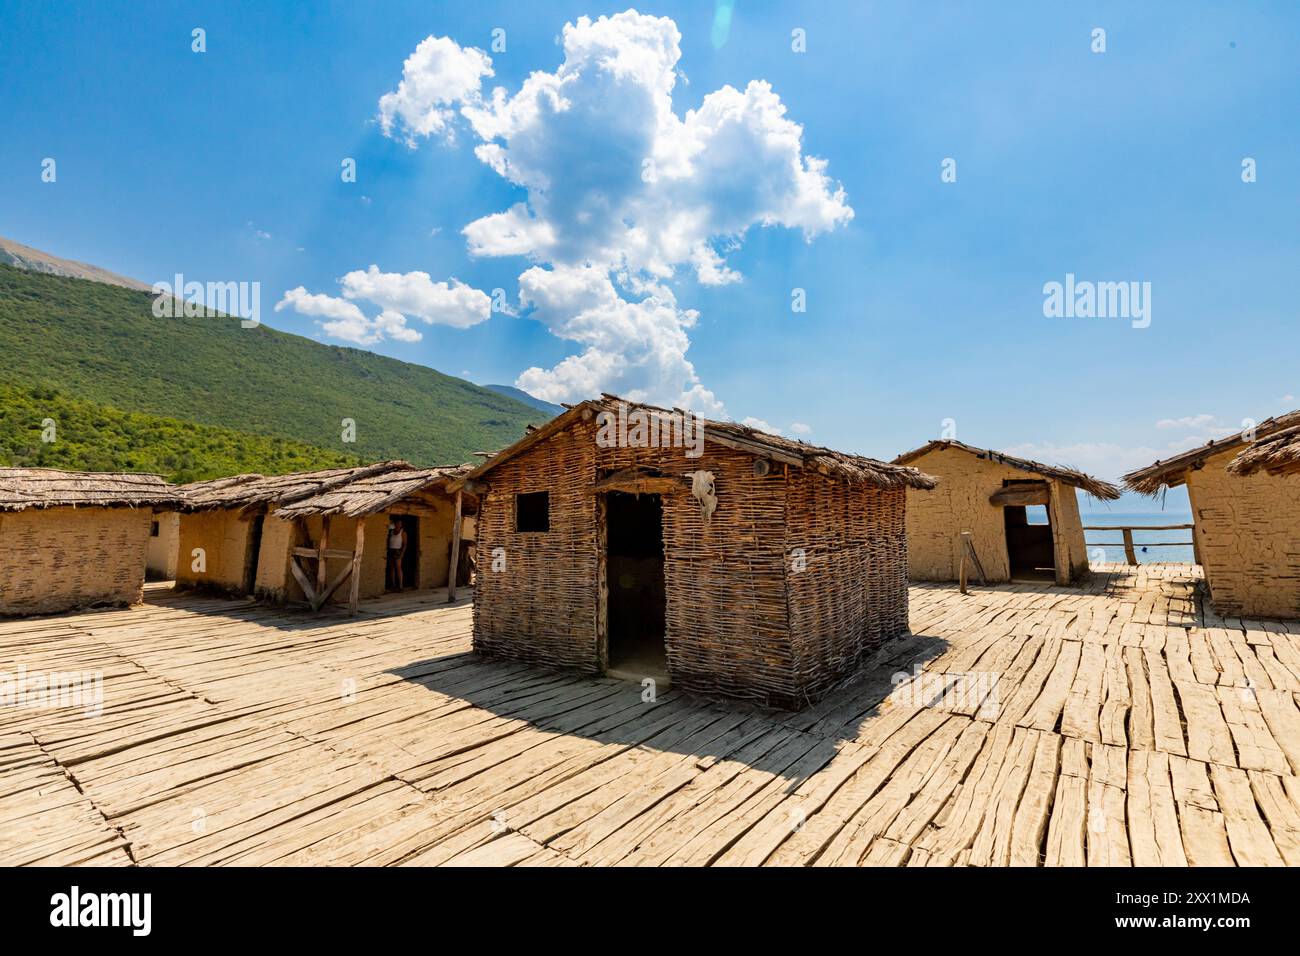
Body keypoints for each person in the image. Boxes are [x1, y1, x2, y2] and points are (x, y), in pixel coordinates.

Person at [387, 521, 407, 591]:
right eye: (396, 523)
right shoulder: (391, 531)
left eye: (399, 523)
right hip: (391, 551)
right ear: (394, 524)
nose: (398, 524)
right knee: (391, 568)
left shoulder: (402, 532)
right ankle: (393, 585)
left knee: (398, 568)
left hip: (397, 551)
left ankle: (400, 586)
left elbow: (405, 544)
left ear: (401, 524)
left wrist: (402, 554)